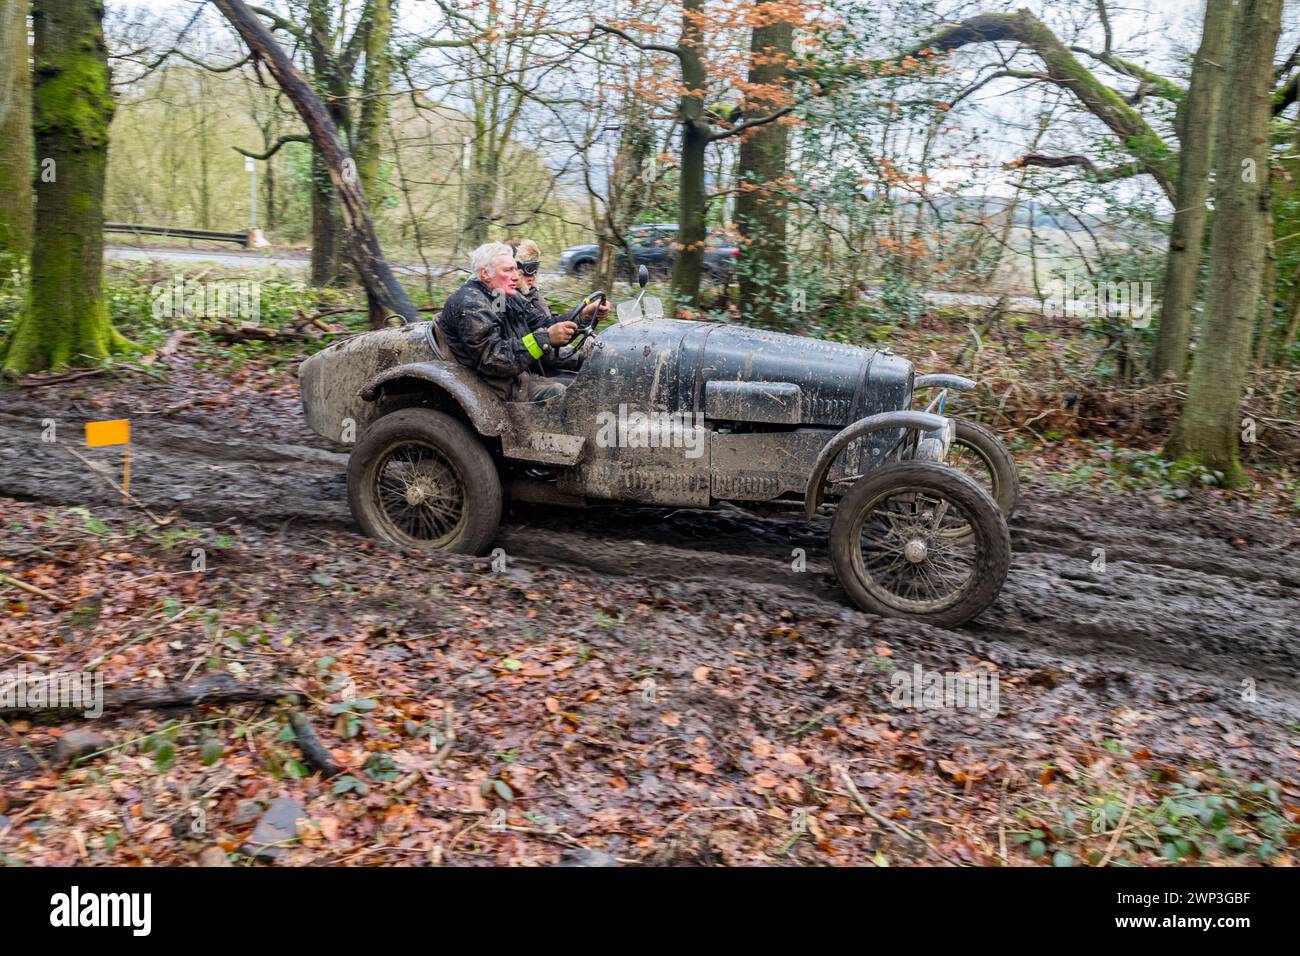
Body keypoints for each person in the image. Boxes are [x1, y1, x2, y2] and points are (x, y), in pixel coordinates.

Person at [440, 242, 602, 403]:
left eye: (515, 268)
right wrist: (544, 339)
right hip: (493, 387)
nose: (517, 276)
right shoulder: (471, 304)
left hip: (520, 375)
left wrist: (583, 315)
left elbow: (544, 323)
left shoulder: (504, 296)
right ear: (485, 274)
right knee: (567, 394)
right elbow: (493, 359)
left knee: (587, 384)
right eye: (508, 270)